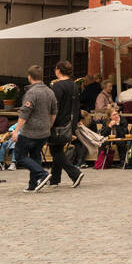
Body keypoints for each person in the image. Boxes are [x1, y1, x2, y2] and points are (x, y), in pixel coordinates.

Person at [10, 64, 57, 192]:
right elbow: (54, 112)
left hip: (30, 132)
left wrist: (16, 130)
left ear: (29, 77)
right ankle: (33, 185)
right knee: (35, 156)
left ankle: (42, 174)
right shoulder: (50, 91)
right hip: (44, 131)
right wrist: (49, 125)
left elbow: (24, 113)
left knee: (20, 156)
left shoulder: (31, 93)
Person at [48, 60, 84, 188]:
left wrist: (50, 122)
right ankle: (54, 179)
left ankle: (75, 173)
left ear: (58, 70)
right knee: (58, 149)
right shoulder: (74, 85)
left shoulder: (58, 86)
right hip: (70, 123)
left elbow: (54, 107)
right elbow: (77, 105)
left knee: (55, 151)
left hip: (59, 123)